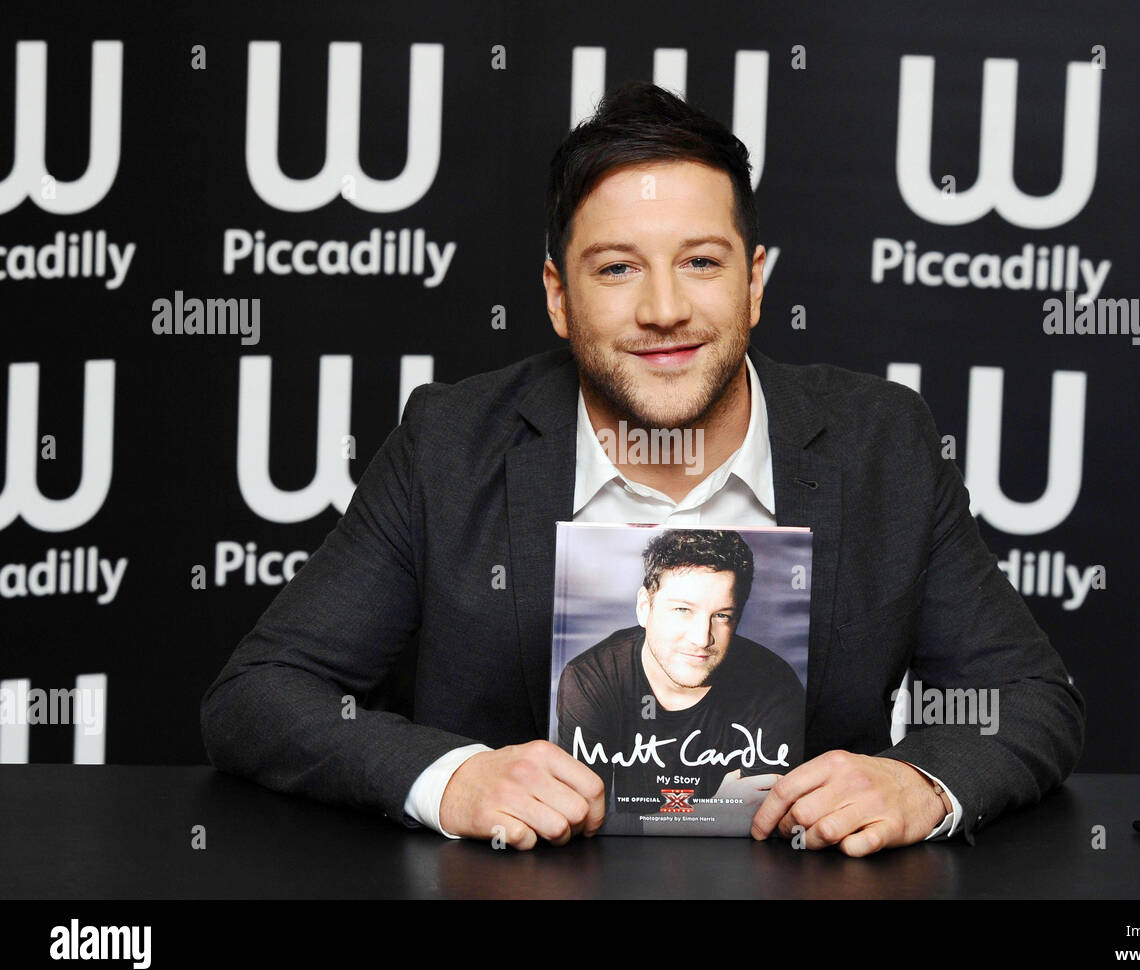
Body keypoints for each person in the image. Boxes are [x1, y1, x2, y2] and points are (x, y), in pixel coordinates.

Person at [201, 81, 1085, 856]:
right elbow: (257, 696)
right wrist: (452, 779)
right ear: (557, 296)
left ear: (755, 281)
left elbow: (1031, 699)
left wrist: (922, 784)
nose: (665, 309)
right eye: (618, 268)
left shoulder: (883, 441)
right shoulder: (448, 442)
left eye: (701, 261)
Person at [555, 528, 805, 831]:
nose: (702, 638)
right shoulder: (592, 678)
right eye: (683, 610)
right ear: (644, 608)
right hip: (625, 869)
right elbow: (580, 824)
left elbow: (766, 828)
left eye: (722, 615)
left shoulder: (773, 686)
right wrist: (708, 814)